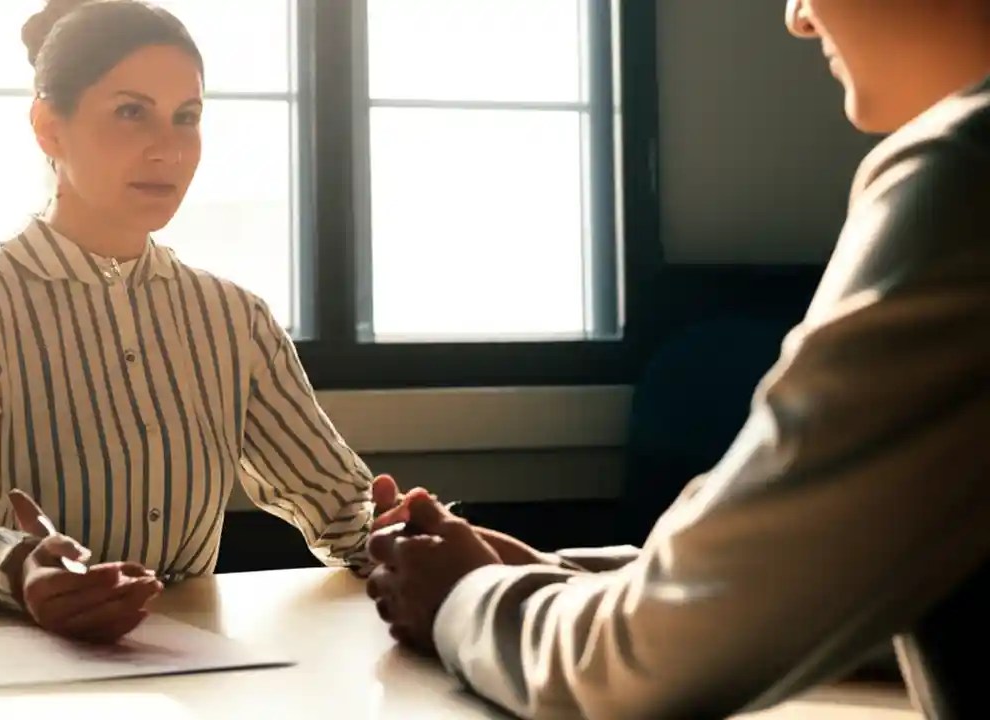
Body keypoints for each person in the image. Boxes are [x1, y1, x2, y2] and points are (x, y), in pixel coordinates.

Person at [365, 1, 990, 717]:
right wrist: (550, 577)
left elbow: (640, 670)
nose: (797, 19)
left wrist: (458, 597)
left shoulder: (965, 175)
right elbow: (843, 588)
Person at [0, 0, 399, 644]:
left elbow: (342, 508)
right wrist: (24, 569)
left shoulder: (235, 319)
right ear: (49, 127)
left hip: (185, 661)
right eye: (131, 112)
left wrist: (406, 536)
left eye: (186, 117)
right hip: (6, 655)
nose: (169, 148)